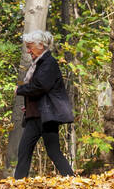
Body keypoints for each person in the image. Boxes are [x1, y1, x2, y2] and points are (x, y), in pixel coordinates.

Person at [13, 31, 75, 179]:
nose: (28, 51)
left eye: (30, 47)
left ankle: (72, 180)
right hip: (35, 116)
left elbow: (40, 86)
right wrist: (28, 105)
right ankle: (18, 184)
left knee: (53, 151)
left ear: (41, 45)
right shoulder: (39, 63)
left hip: (47, 116)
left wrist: (19, 90)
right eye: (27, 47)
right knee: (24, 150)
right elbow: (39, 89)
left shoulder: (48, 62)